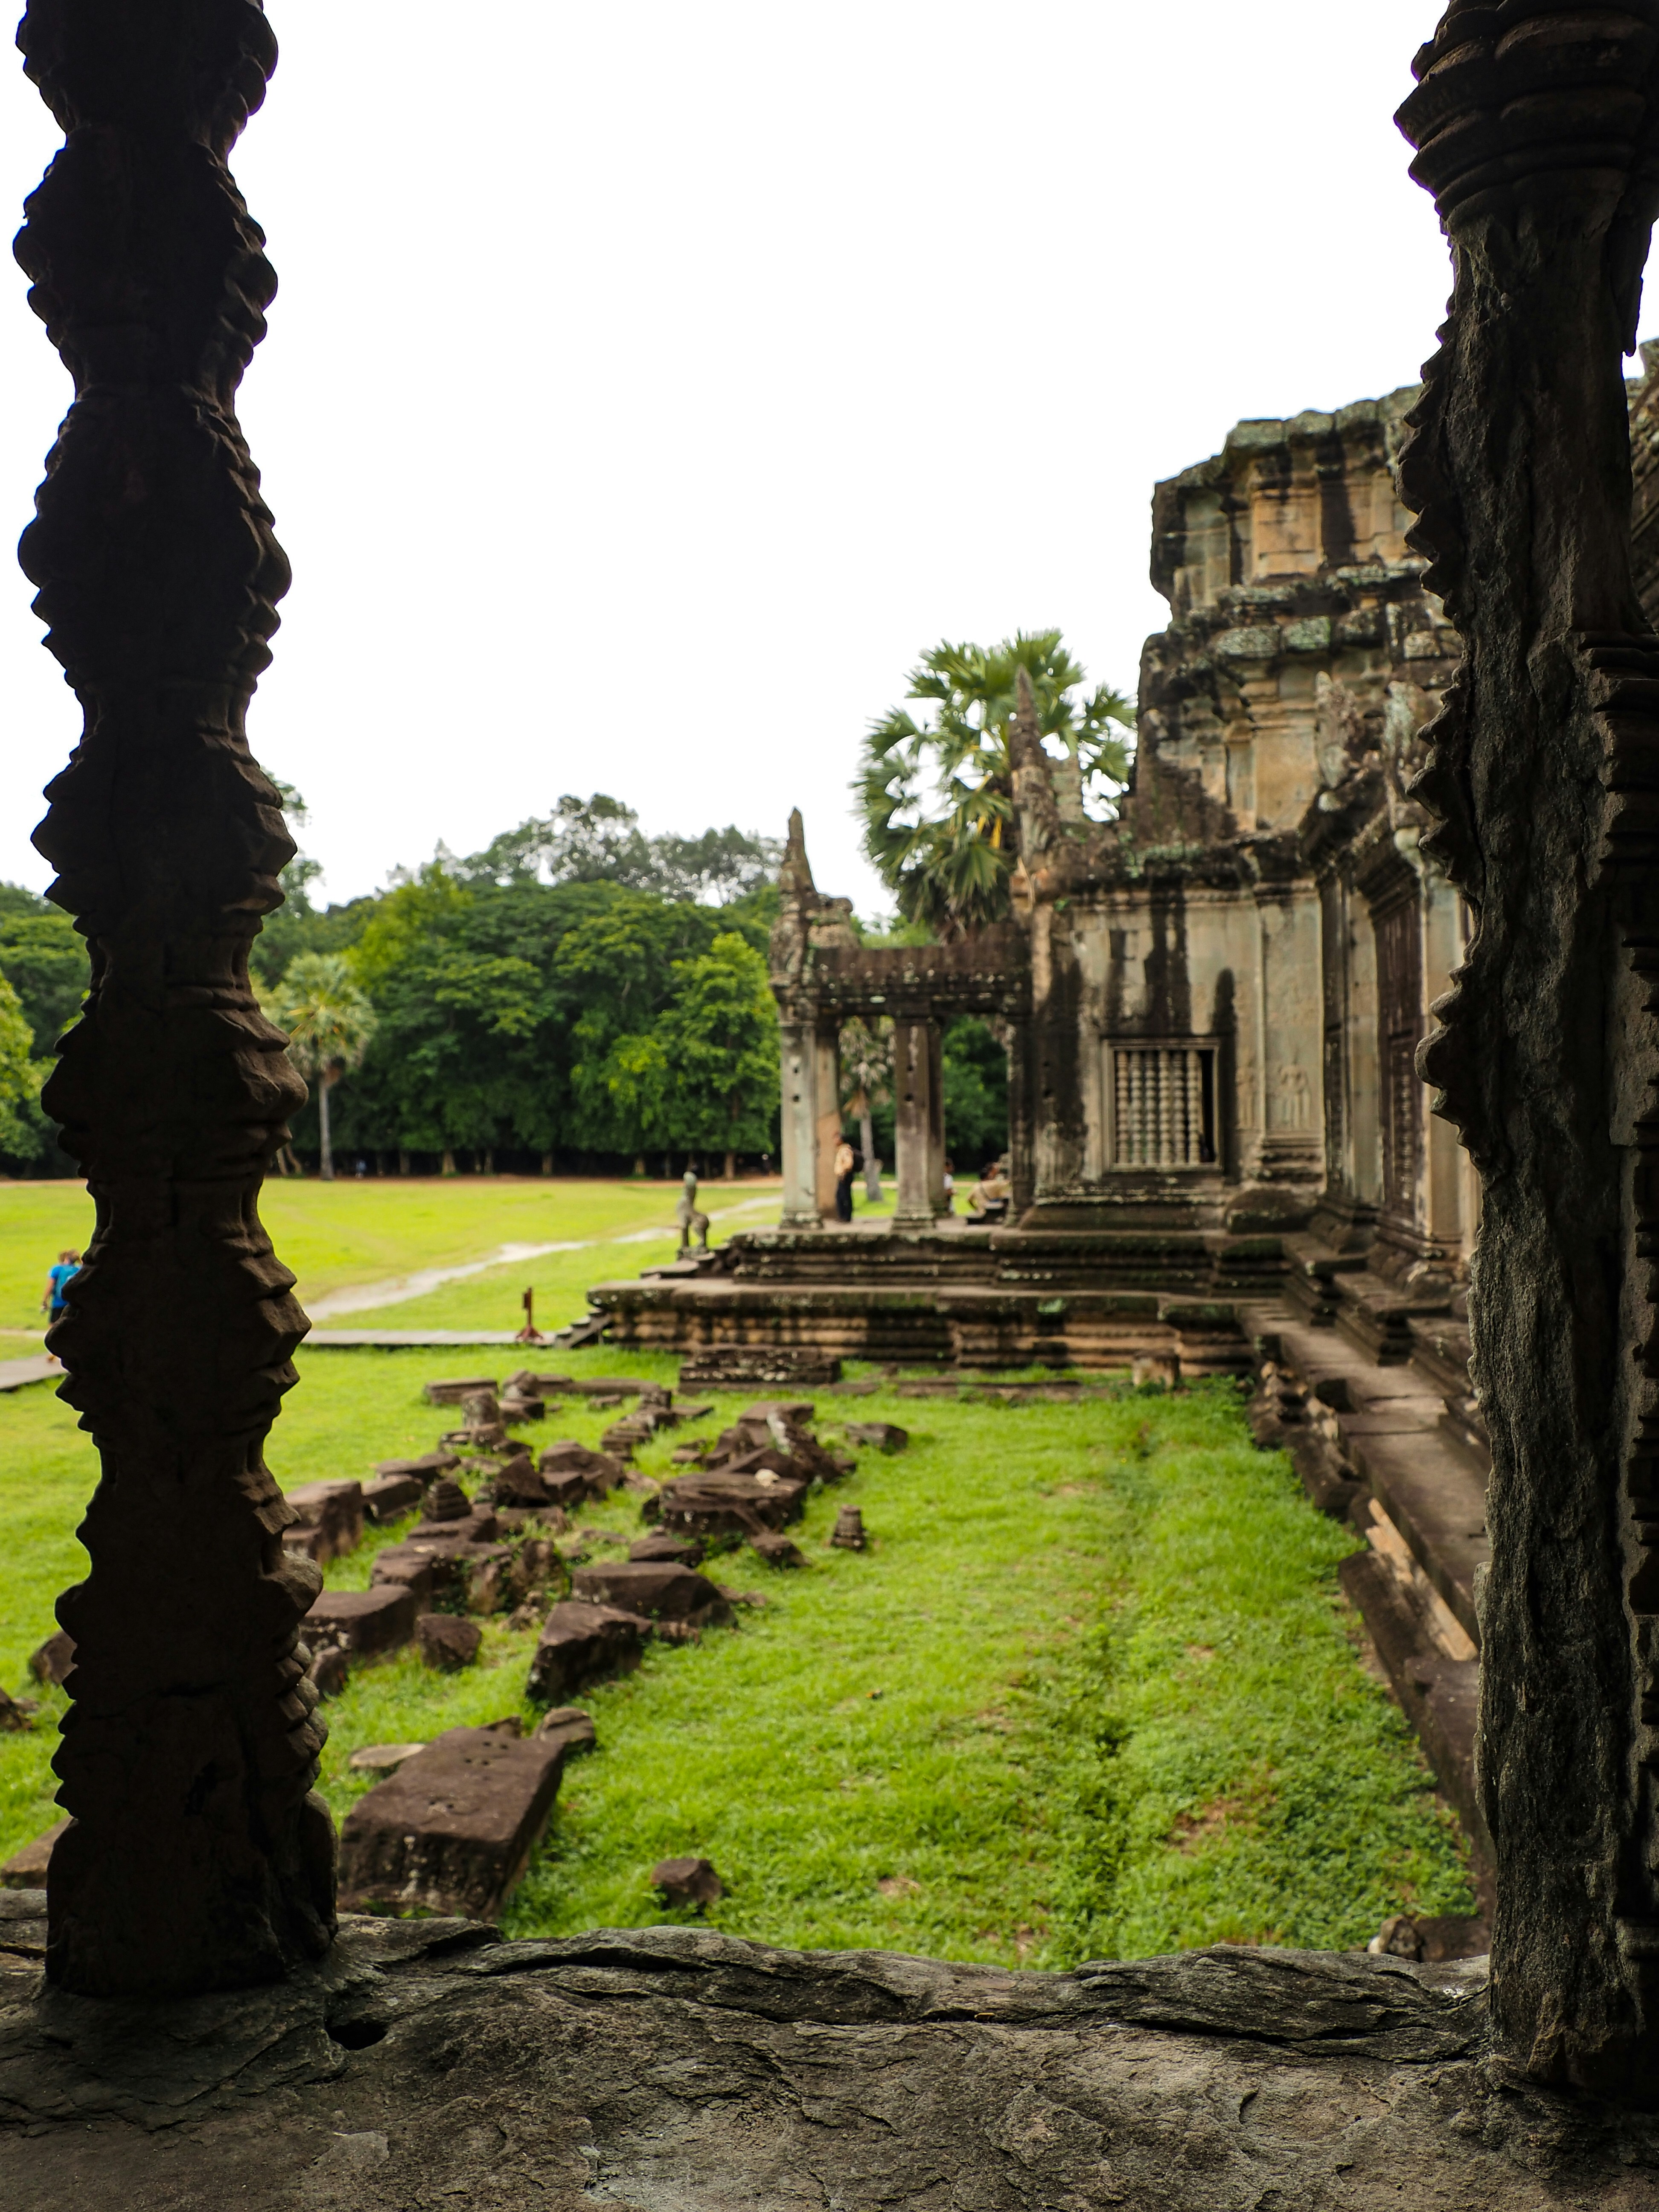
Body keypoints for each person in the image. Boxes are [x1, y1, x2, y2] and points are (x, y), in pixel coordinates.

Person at [675, 1165, 710, 1252]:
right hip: (701, 1218)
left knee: (694, 1226)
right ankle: (700, 1243)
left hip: (698, 1220)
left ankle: (695, 1244)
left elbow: (684, 1226)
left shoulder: (684, 1203)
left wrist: (684, 1246)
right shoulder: (687, 1201)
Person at [41, 1248, 81, 1324]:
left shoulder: (57, 1269)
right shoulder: (79, 1270)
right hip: (73, 1305)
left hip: (58, 1303)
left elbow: (50, 1286)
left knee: (53, 1328)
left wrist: (45, 1301)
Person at [833, 1136, 856, 1222]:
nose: (835, 1141)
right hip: (843, 1175)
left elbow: (849, 1163)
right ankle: (843, 1216)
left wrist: (843, 1173)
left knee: (844, 1196)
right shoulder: (841, 1150)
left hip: (845, 1175)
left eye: (836, 1139)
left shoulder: (845, 1150)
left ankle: (846, 1217)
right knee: (841, 1196)